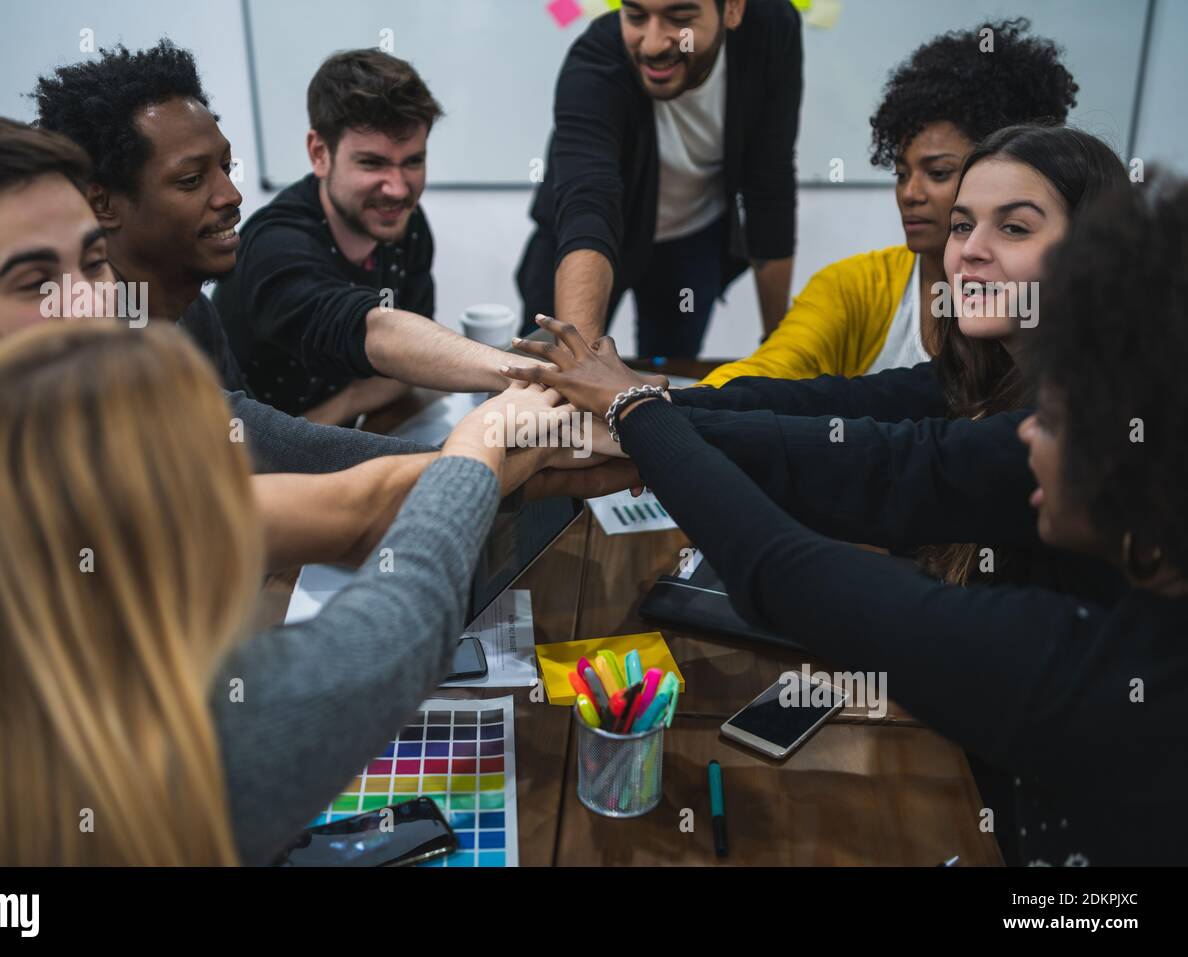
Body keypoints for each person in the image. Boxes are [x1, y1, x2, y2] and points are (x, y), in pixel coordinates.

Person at [492, 175, 1188, 865]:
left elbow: (790, 566)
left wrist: (637, 415)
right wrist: (645, 417)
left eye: (1055, 419)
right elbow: (832, 423)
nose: (1027, 436)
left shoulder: (1099, 673)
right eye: (962, 222)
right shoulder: (1119, 616)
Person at [0, 320, 570, 865]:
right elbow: (406, 614)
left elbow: (355, 507)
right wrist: (483, 438)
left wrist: (502, 454)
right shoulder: (201, 752)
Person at [0, 115, 635, 568]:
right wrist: (538, 417)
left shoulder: (145, 369)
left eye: (90, 262)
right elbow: (344, 502)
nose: (231, 195)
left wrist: (574, 433)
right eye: (32, 281)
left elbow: (330, 487)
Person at [526, 124, 1129, 584]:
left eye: (1015, 228)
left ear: (1092, 253)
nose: (971, 250)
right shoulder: (982, 371)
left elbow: (890, 468)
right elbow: (825, 402)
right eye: (963, 225)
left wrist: (639, 420)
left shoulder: (1079, 417)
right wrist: (651, 406)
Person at [34, 40, 540, 425]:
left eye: (413, 162)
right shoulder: (89, 357)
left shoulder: (194, 312)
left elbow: (250, 443)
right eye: (191, 180)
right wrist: (509, 409)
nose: (232, 196)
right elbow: (266, 443)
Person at [700, 19, 1078, 385]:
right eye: (901, 174)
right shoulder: (855, 288)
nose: (910, 194)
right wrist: (668, 404)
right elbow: (773, 368)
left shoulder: (1051, 311)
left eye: (939, 173)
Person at [516, 0, 802, 356]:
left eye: (680, 19)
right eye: (635, 16)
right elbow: (588, 204)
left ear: (732, 10)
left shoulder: (772, 29)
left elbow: (769, 184)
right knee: (545, 370)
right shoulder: (595, 61)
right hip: (581, 239)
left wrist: (780, 348)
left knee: (668, 370)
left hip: (692, 238)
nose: (652, 44)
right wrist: (578, 372)